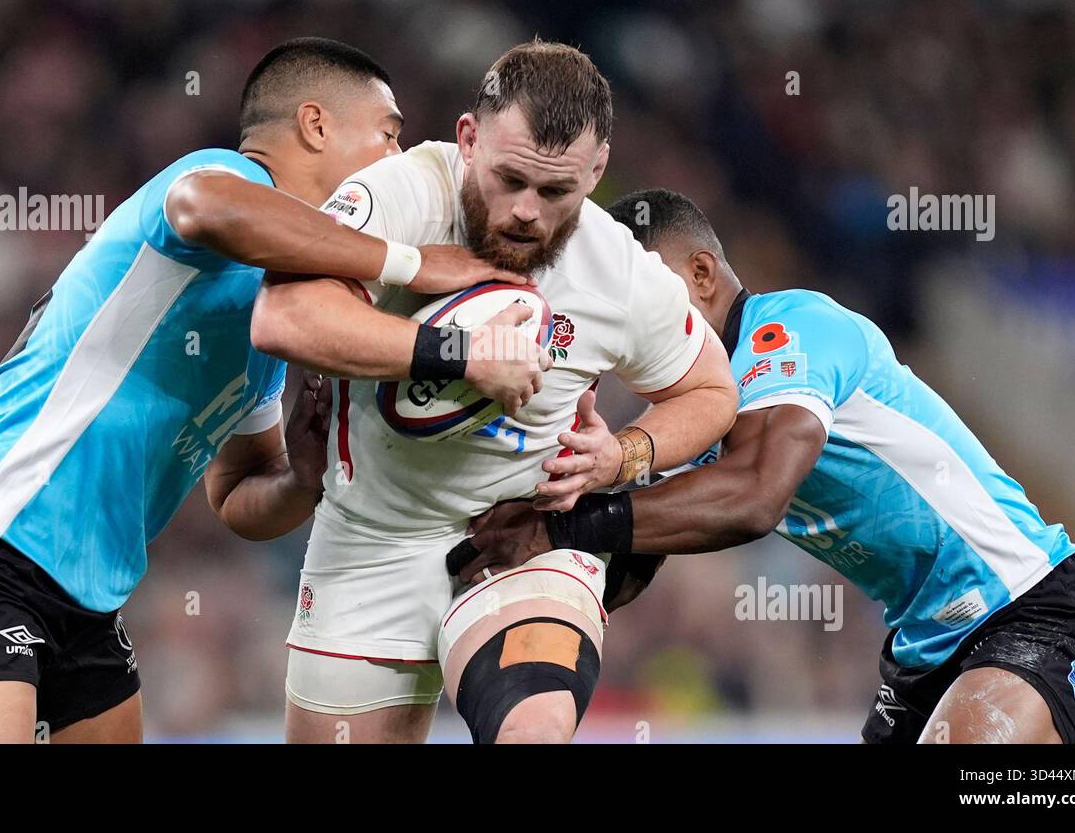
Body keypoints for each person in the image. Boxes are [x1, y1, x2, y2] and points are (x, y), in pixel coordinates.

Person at [0, 37, 525, 743]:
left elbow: (238, 493)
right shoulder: (224, 175)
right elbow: (205, 208)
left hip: (84, 601)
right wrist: (414, 262)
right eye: (388, 136)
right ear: (315, 124)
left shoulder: (272, 322)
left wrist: (304, 476)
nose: (396, 163)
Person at [453, 187, 1075, 744]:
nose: (630, 324)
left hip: (1034, 610)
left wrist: (566, 528)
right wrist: (541, 534)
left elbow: (755, 495)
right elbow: (624, 565)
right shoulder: (690, 412)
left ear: (701, 274)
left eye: (641, 294)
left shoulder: (791, 330)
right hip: (926, 655)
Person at [248, 43, 739, 744]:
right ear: (468, 137)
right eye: (509, 179)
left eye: (557, 191)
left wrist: (624, 454)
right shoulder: (400, 193)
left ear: (596, 172)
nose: (527, 214)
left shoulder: (617, 268)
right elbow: (283, 316)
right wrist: (461, 356)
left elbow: (711, 390)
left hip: (525, 540)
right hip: (369, 542)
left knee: (532, 730)